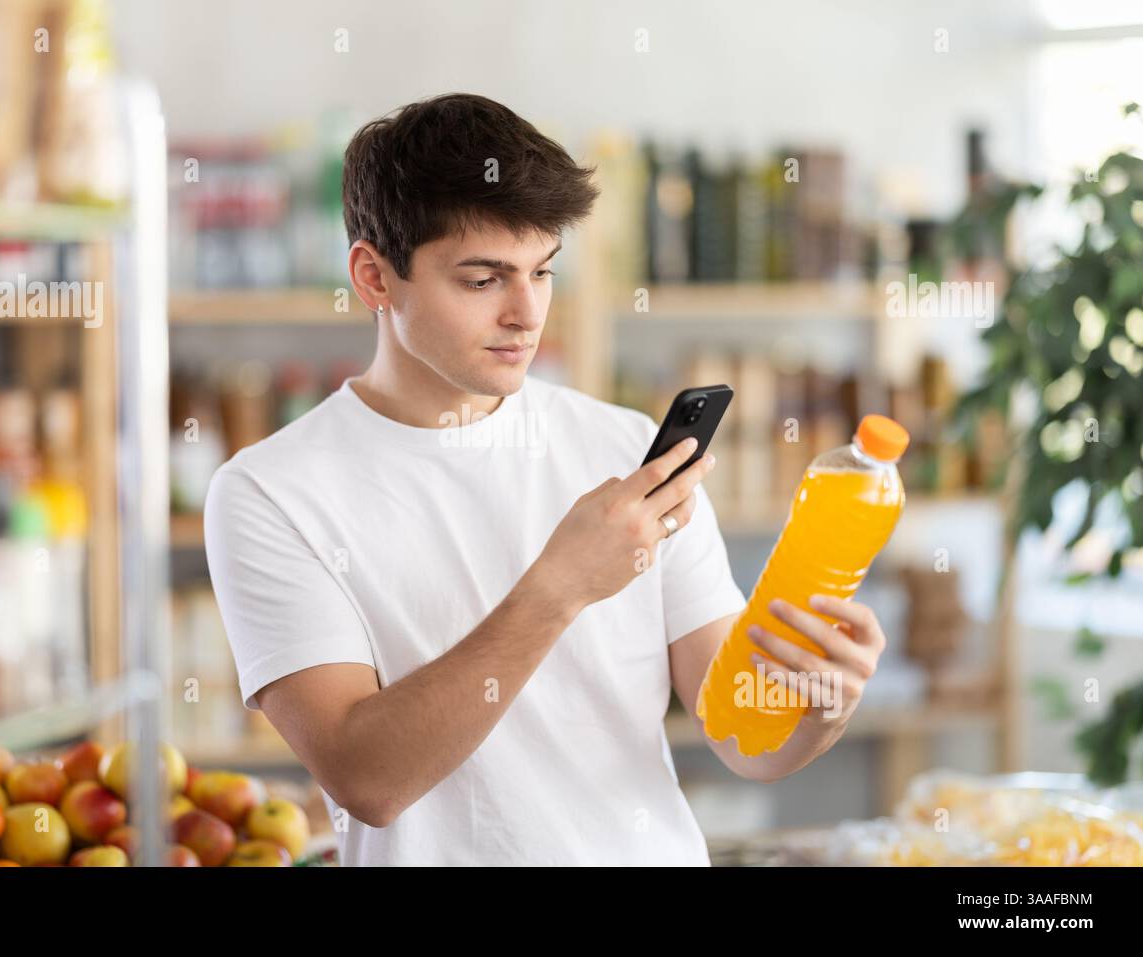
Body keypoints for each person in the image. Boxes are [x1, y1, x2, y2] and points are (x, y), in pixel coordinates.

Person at [203, 93, 888, 866]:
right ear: (374, 277)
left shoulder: (628, 448)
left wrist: (820, 705)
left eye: (542, 271)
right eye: (482, 279)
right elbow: (368, 776)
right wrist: (561, 585)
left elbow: (738, 736)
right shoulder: (268, 493)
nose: (527, 313)